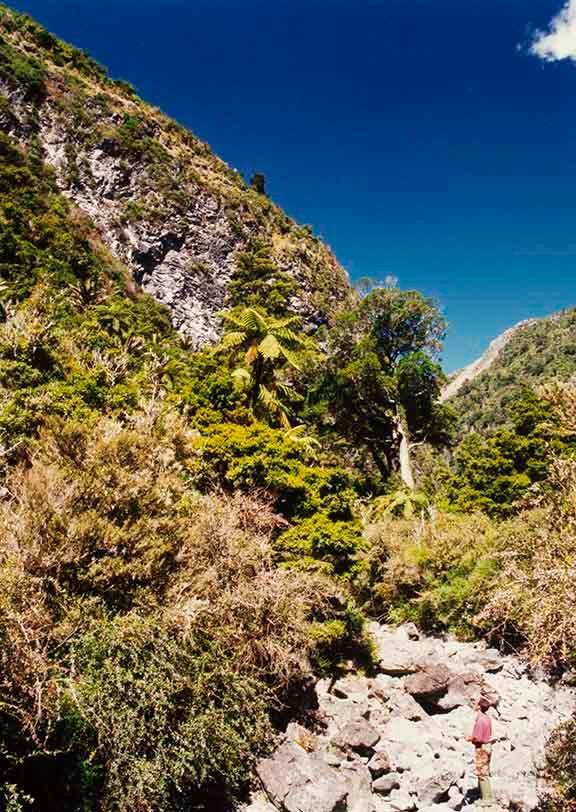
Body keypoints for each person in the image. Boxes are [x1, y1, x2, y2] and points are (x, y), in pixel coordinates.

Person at [467, 696, 493, 805]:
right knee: (485, 771)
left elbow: (477, 738)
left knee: (482, 774)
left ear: (478, 707)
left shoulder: (480, 720)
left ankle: (486, 799)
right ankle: (483, 795)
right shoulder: (487, 718)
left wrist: (469, 738)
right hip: (488, 746)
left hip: (481, 747)